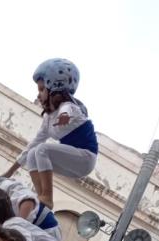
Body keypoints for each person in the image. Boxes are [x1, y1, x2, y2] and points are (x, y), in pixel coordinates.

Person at [12, 58, 98, 209]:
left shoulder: (70, 107)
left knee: (42, 149)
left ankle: (47, 197)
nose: (38, 95)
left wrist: (64, 117)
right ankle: (41, 197)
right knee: (32, 153)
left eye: (41, 89)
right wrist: (9, 172)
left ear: (54, 88)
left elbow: (67, 110)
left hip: (85, 158)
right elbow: (32, 145)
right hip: (74, 161)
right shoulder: (48, 118)